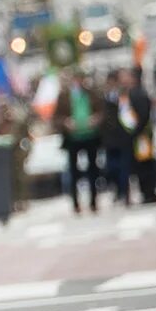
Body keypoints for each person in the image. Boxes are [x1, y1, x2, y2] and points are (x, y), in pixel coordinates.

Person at [53, 69, 105, 213]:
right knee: (73, 171)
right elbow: (56, 117)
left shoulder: (91, 94)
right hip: (73, 138)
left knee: (93, 169)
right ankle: (76, 203)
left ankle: (93, 201)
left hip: (90, 135)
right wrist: (66, 122)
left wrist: (95, 119)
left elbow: (101, 112)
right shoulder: (64, 96)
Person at [103, 68, 154, 206]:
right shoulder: (121, 95)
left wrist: (136, 130)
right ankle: (126, 193)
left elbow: (143, 115)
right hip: (125, 137)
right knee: (126, 167)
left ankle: (148, 192)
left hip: (140, 136)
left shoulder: (138, 93)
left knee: (144, 165)